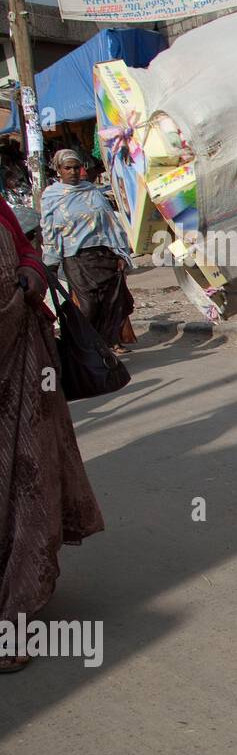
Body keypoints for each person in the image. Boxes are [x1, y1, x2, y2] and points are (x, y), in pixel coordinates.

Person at [1, 195, 104, 672]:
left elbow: (25, 248)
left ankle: (15, 613)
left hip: (22, 359)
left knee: (30, 481)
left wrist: (29, 276)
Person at [40, 148, 136, 354]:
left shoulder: (92, 192)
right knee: (88, 304)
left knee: (112, 301)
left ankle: (109, 342)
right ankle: (86, 345)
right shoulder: (51, 196)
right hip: (75, 257)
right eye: (68, 168)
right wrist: (50, 260)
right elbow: (49, 229)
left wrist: (120, 252)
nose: (73, 172)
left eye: (76, 167)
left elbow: (111, 223)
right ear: (59, 170)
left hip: (103, 253)